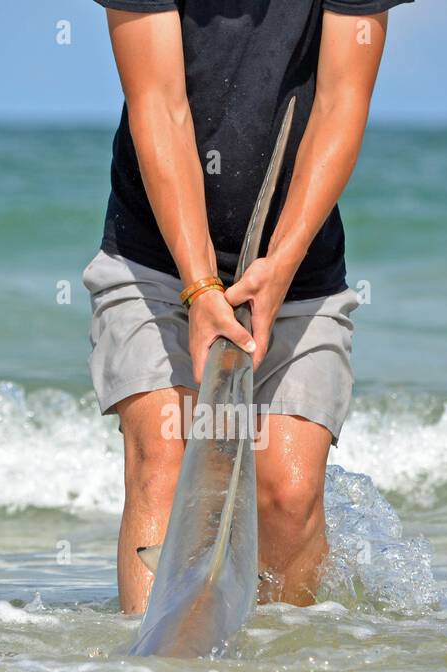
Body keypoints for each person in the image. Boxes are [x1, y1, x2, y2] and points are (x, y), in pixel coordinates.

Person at [85, 0, 407, 613]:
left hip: (299, 261)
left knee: (287, 496)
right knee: (166, 459)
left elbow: (342, 102)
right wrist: (202, 286)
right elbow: (160, 105)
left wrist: (281, 263)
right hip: (151, 252)